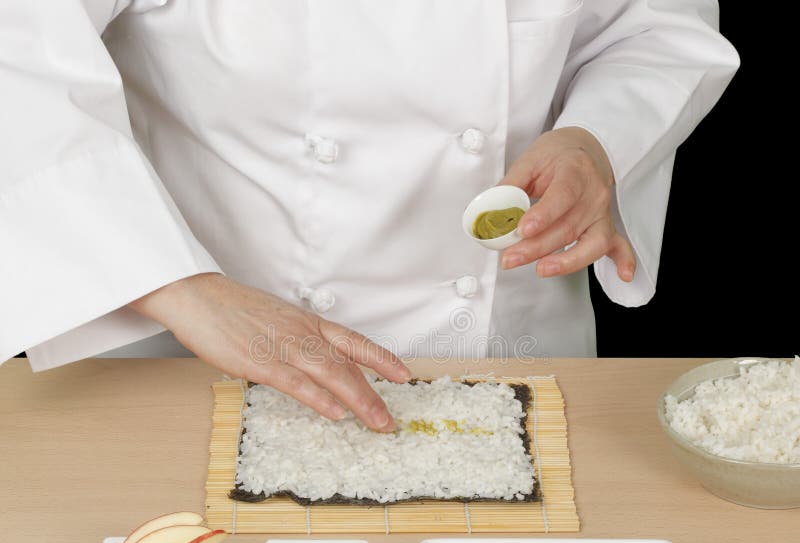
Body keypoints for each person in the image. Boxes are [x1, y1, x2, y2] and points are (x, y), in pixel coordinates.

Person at [0, 1, 738, 430]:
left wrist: (598, 141)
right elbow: (17, 50)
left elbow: (656, 28)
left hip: (510, 344)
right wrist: (175, 286)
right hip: (196, 361)